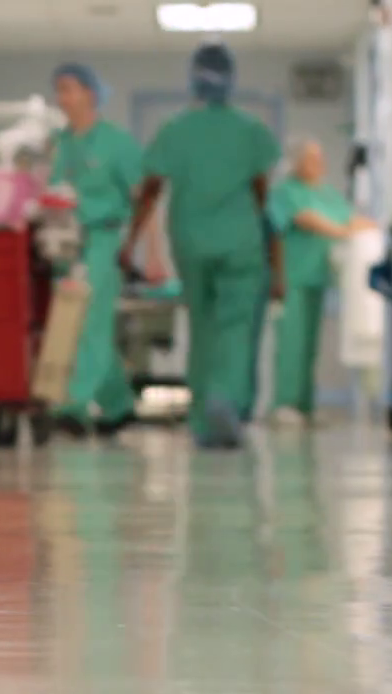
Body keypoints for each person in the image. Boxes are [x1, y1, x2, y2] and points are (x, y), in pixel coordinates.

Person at [124, 43, 283, 450]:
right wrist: (276, 259)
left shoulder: (174, 131)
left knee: (202, 326)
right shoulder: (251, 131)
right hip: (241, 243)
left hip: (191, 243)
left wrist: (130, 242)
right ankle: (224, 400)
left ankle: (202, 419)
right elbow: (262, 195)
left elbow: (150, 191)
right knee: (236, 325)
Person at [47, 62, 145, 437]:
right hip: (63, 243)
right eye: (59, 90)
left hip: (102, 241)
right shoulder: (59, 144)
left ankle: (73, 405)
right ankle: (118, 403)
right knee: (73, 325)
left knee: (89, 325)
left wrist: (147, 251)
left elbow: (143, 198)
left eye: (69, 89)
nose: (63, 98)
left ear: (91, 93)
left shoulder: (117, 144)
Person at [266, 139, 377, 426]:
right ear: (297, 163)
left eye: (320, 159)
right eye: (312, 159)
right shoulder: (285, 193)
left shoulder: (326, 194)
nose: (319, 165)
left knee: (309, 344)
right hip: (290, 278)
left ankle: (304, 406)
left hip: (317, 278)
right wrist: (340, 229)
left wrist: (374, 228)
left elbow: (352, 219)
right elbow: (307, 220)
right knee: (291, 344)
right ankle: (284, 404)